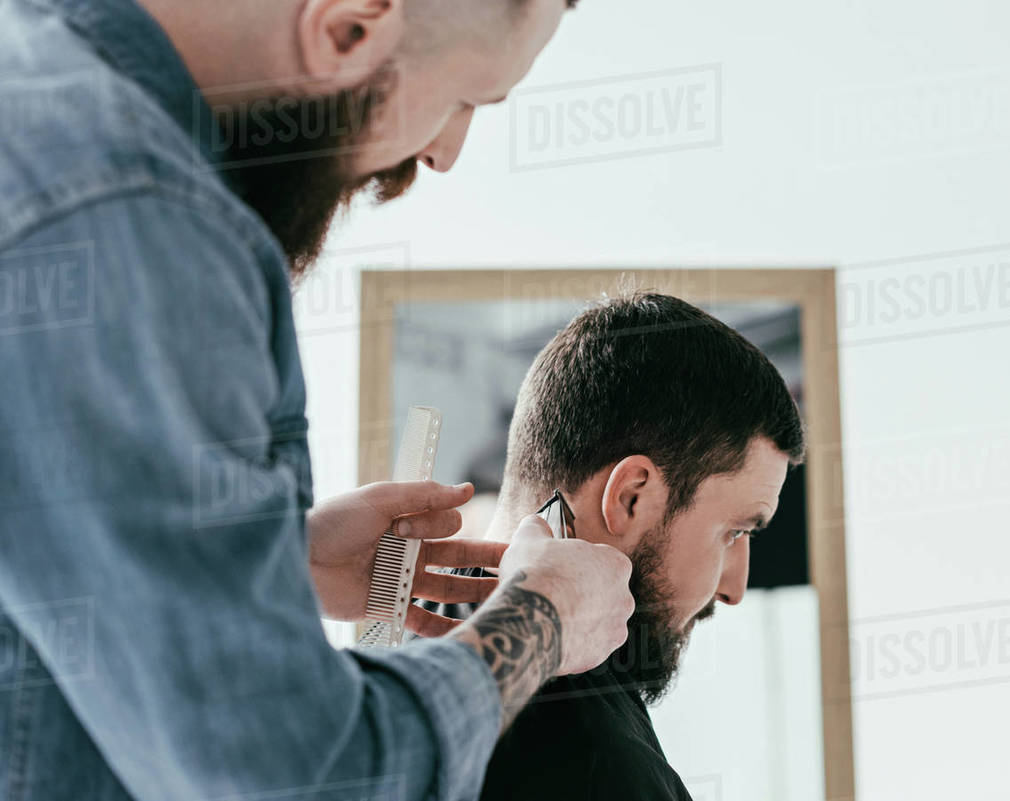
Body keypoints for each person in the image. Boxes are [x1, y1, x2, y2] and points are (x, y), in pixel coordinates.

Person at [0, 0, 633, 800]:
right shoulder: (129, 217)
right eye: (468, 99)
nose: (445, 152)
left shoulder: (32, 91)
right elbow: (305, 778)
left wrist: (276, 562)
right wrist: (541, 619)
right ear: (350, 28)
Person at [416, 293, 807, 800]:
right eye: (734, 531)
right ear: (630, 496)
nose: (734, 588)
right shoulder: (603, 767)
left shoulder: (409, 646)